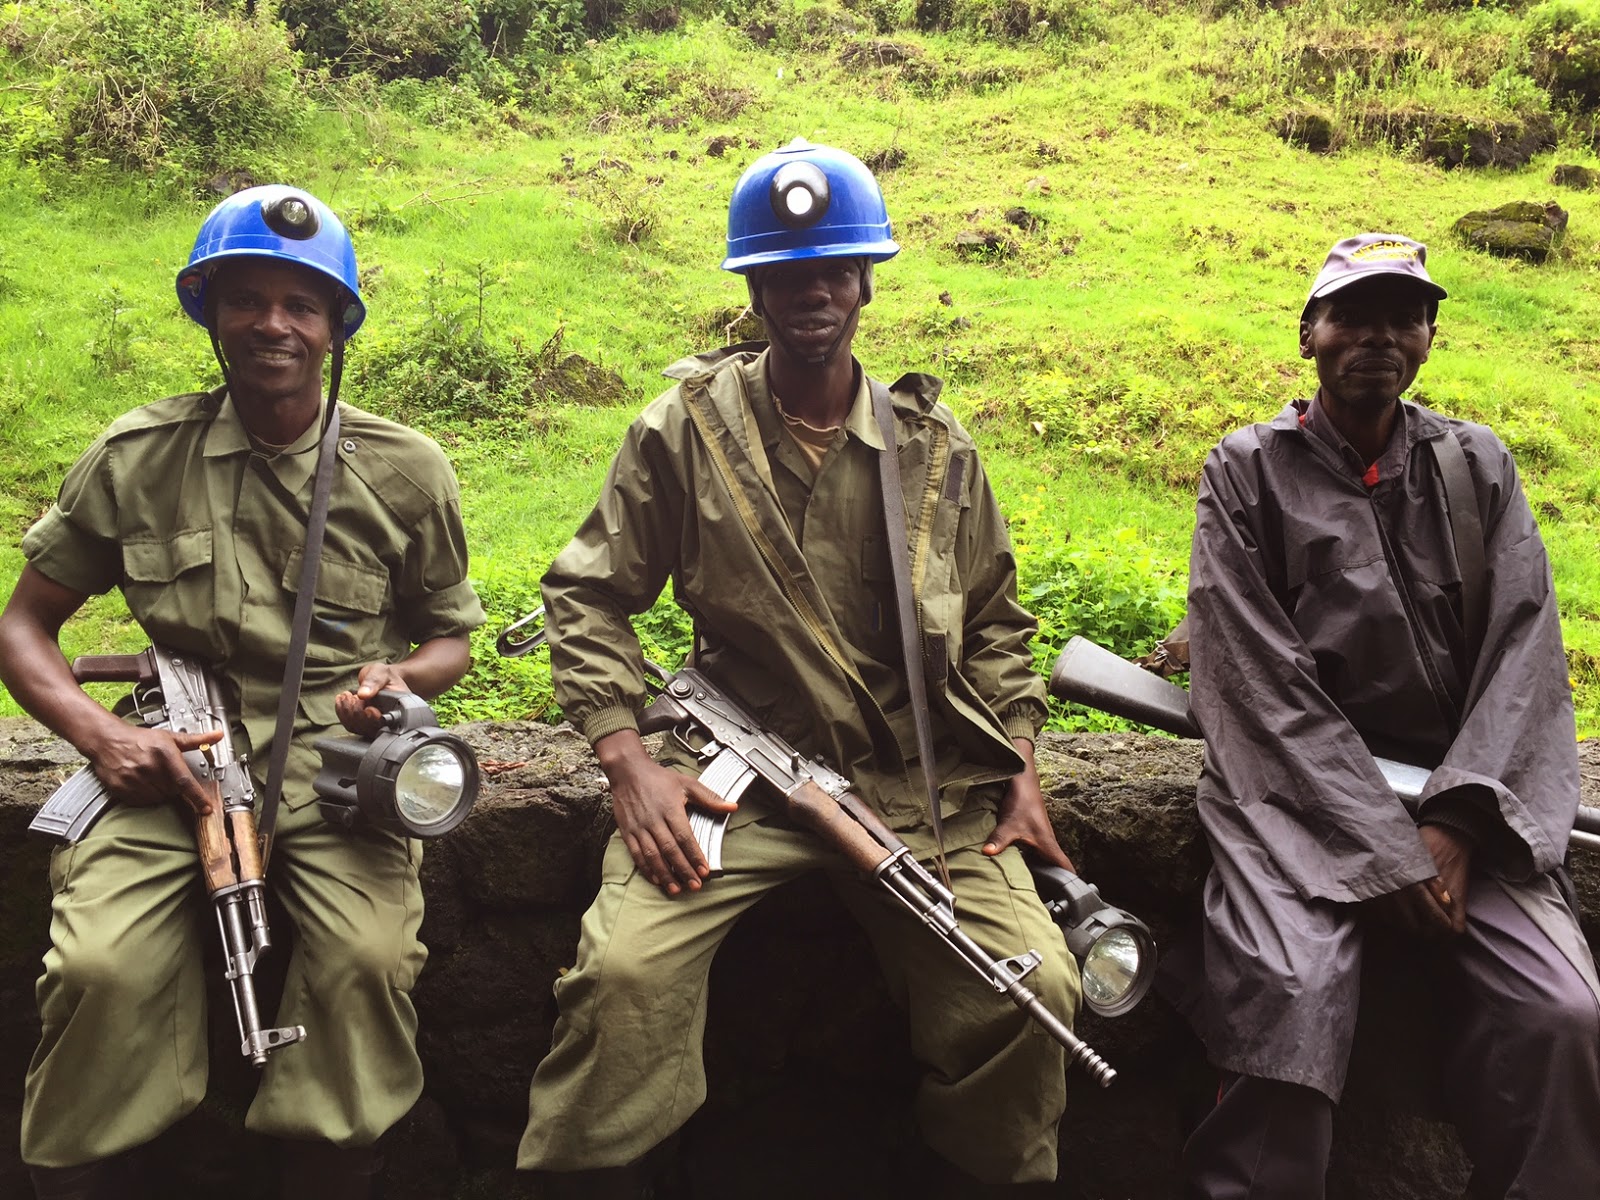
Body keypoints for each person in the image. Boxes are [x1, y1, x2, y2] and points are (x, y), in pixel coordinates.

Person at [518, 140, 1081, 1196]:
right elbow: (588, 595)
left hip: (916, 784)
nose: (811, 291)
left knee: (1032, 986)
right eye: (785, 272)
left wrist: (1019, 759)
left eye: (833, 269)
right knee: (623, 978)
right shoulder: (682, 432)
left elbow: (998, 619)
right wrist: (627, 761)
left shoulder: (935, 445)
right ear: (752, 288)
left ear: (865, 283)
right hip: (732, 778)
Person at [0, 185, 485, 1200]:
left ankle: (325, 1169)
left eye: (302, 304)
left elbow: (449, 640)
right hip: (176, 745)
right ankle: (86, 1172)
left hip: (336, 755)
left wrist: (395, 679)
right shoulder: (138, 458)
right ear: (210, 312)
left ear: (335, 327)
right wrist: (100, 737)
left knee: (364, 960)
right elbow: (23, 625)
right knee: (100, 971)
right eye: (248, 298)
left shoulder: (403, 470)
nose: (273, 324)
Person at [1177, 232, 1600, 1198]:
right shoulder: (1245, 475)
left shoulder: (1478, 465)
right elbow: (1254, 687)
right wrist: (1388, 849)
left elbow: (1524, 659)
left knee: (1561, 1015)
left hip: (1468, 802)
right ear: (1308, 335)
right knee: (1288, 998)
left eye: (1401, 317)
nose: (1378, 337)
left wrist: (1453, 825)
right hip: (1292, 803)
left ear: (1430, 338)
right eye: (1352, 316)